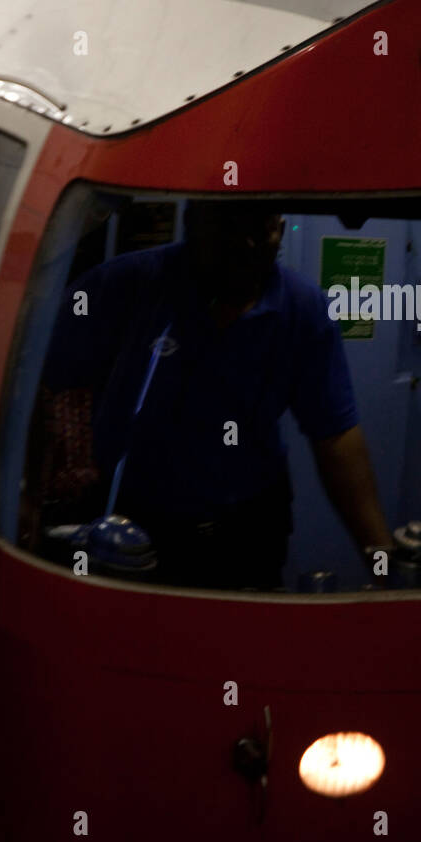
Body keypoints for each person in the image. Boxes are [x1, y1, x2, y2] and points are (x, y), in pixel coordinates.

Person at [40, 200, 396, 590]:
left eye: (261, 231)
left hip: (248, 530)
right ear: (191, 224)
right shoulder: (125, 285)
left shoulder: (302, 310)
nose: (246, 246)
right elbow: (37, 384)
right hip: (131, 528)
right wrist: (23, 501)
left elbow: (336, 436)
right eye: (227, 230)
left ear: (279, 225)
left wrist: (381, 559)